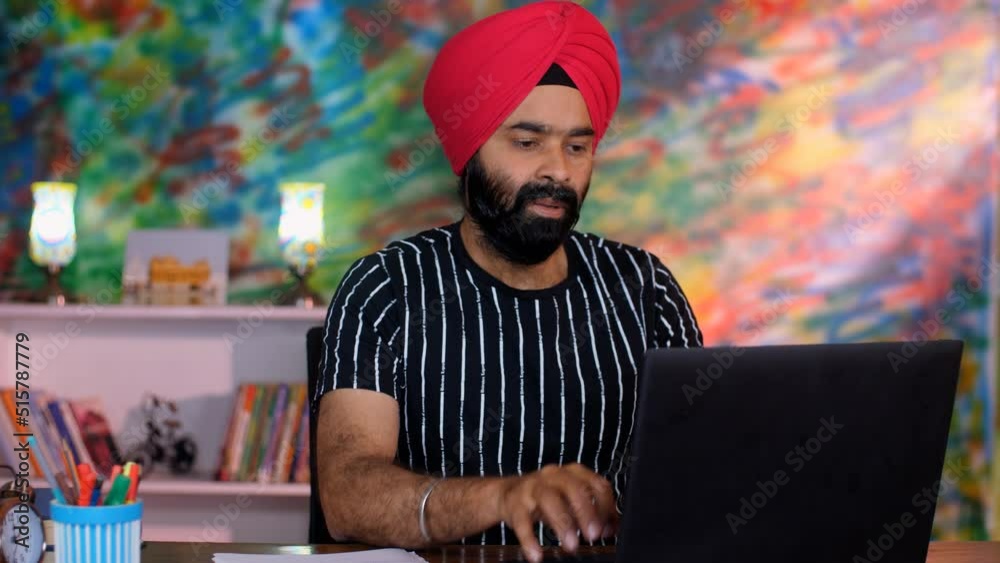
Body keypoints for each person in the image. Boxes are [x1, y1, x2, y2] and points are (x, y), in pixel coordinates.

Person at [314, 2, 703, 561]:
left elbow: (698, 468)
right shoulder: (386, 288)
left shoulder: (644, 288)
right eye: (527, 143)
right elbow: (348, 497)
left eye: (577, 146)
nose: (558, 171)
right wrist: (505, 498)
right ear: (468, 152)